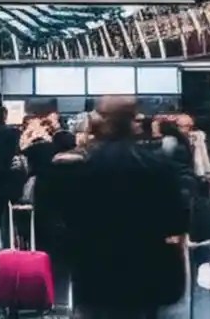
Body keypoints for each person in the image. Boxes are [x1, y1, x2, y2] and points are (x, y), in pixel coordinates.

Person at [70, 97, 187, 318]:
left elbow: (71, 219)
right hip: (144, 272)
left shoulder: (84, 166)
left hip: (95, 274)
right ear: (132, 122)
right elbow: (176, 220)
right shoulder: (156, 165)